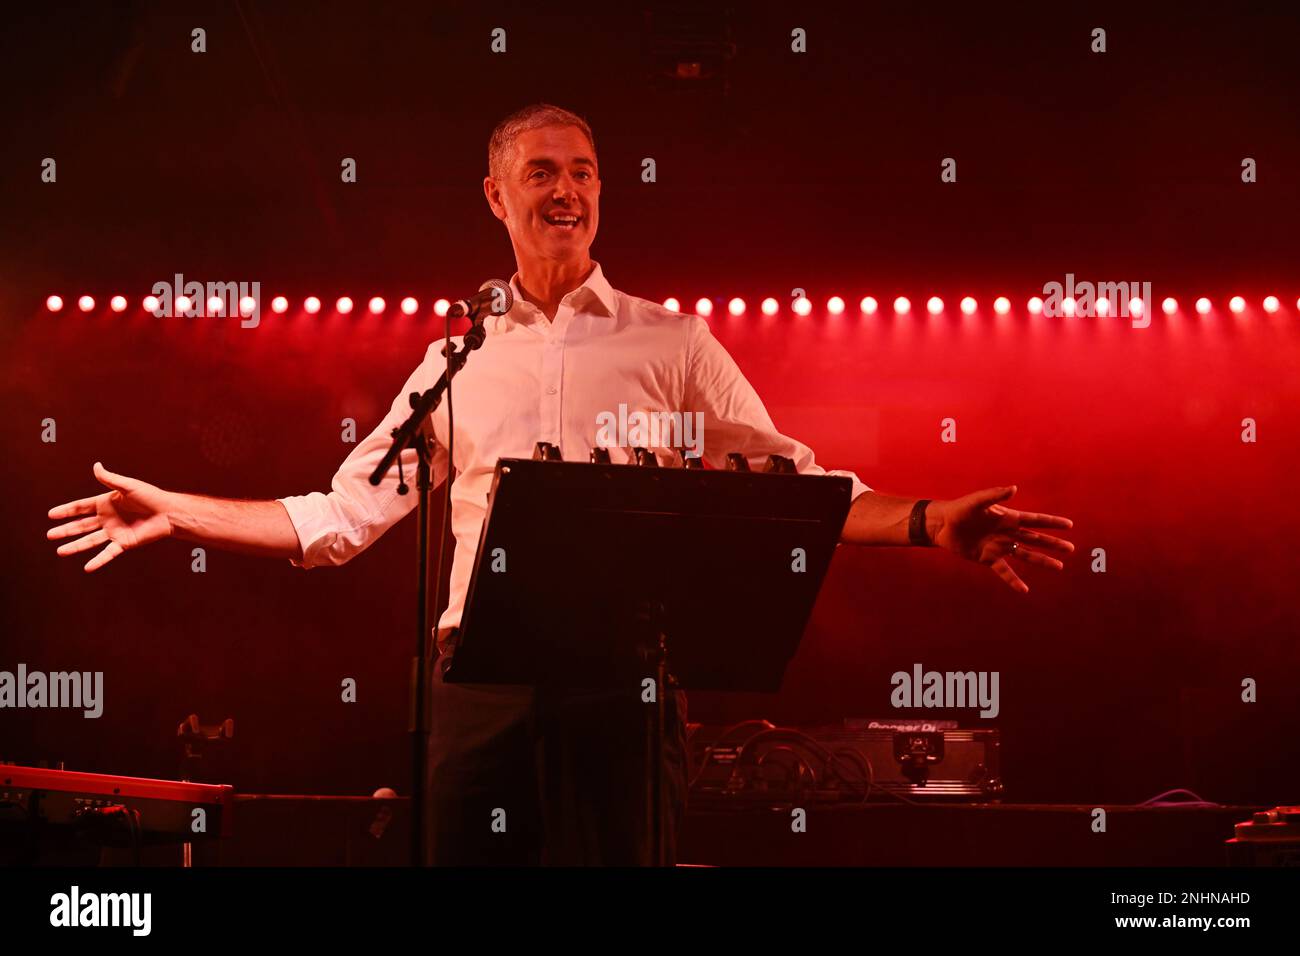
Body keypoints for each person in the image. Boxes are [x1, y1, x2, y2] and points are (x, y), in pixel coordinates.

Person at [46, 103, 1074, 865]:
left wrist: (932, 519)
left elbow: (794, 487)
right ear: (497, 196)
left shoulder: (672, 342)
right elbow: (340, 516)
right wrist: (173, 510)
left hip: (618, 683)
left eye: (583, 171)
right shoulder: (456, 356)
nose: (566, 191)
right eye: (541, 170)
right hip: (477, 684)